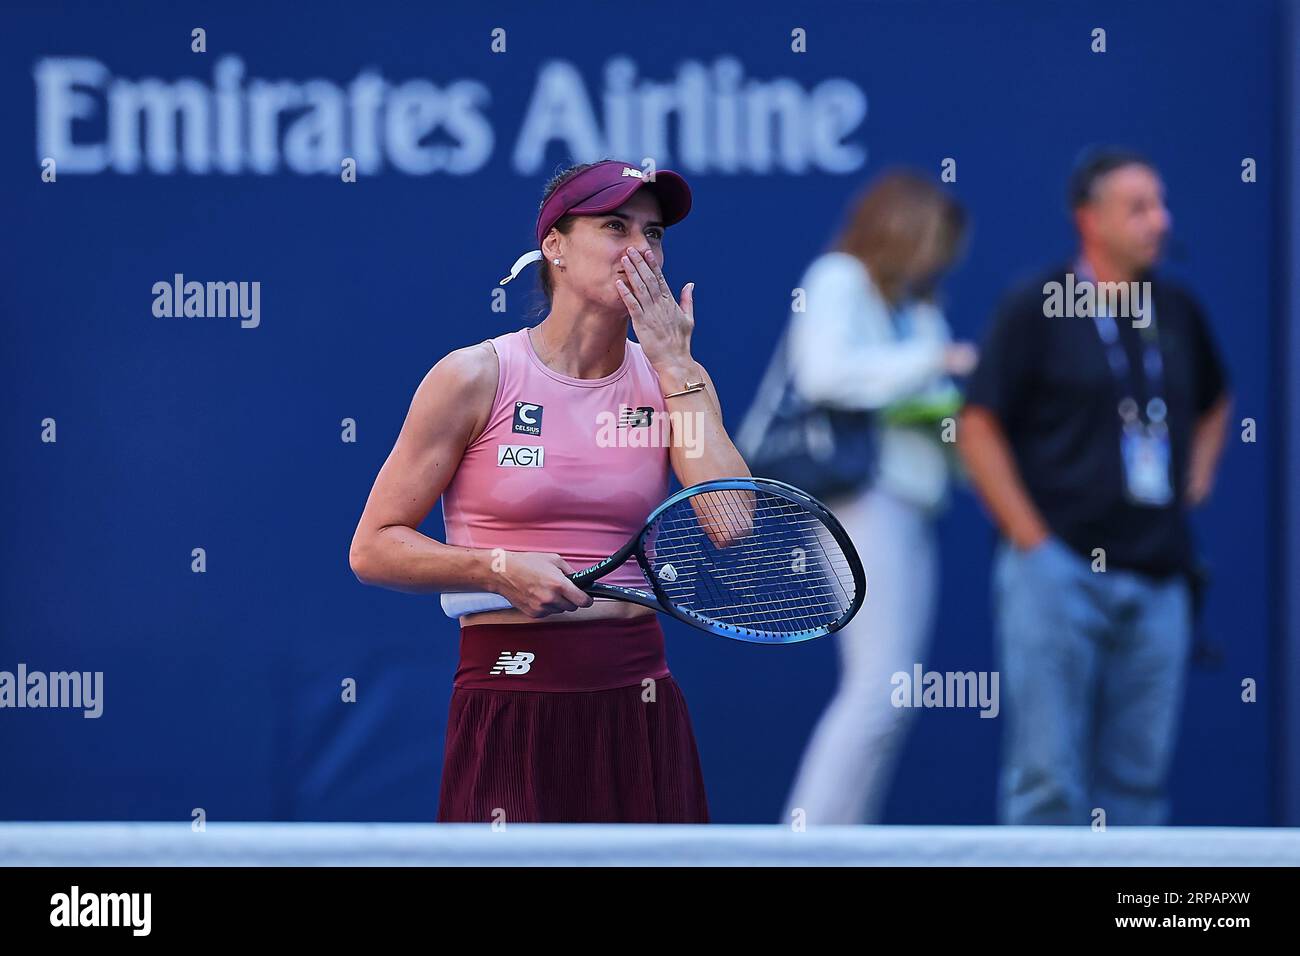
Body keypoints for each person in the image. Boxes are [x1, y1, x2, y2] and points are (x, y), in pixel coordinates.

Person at [348, 159, 751, 823]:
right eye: (615, 225)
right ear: (554, 246)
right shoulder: (475, 376)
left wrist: (675, 363)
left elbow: (731, 519)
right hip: (509, 692)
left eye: (653, 234)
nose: (641, 250)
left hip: (638, 697)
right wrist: (498, 568)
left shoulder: (675, 379)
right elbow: (372, 550)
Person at [958, 147, 1232, 825]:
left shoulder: (1178, 308)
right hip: (1059, 569)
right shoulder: (1038, 304)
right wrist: (1032, 542)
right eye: (1139, 207)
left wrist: (1197, 475)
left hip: (1159, 574)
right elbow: (977, 424)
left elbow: (1219, 398)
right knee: (1046, 777)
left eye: (1162, 205)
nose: (1159, 221)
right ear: (1090, 219)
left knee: (1138, 781)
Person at [764, 171, 978, 824]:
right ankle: (804, 848)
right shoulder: (838, 277)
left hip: (910, 507)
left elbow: (929, 410)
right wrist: (935, 363)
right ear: (899, 228)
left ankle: (844, 845)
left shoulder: (917, 307)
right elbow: (824, 375)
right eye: (932, 238)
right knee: (878, 690)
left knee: (894, 694)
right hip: (856, 500)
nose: (940, 257)